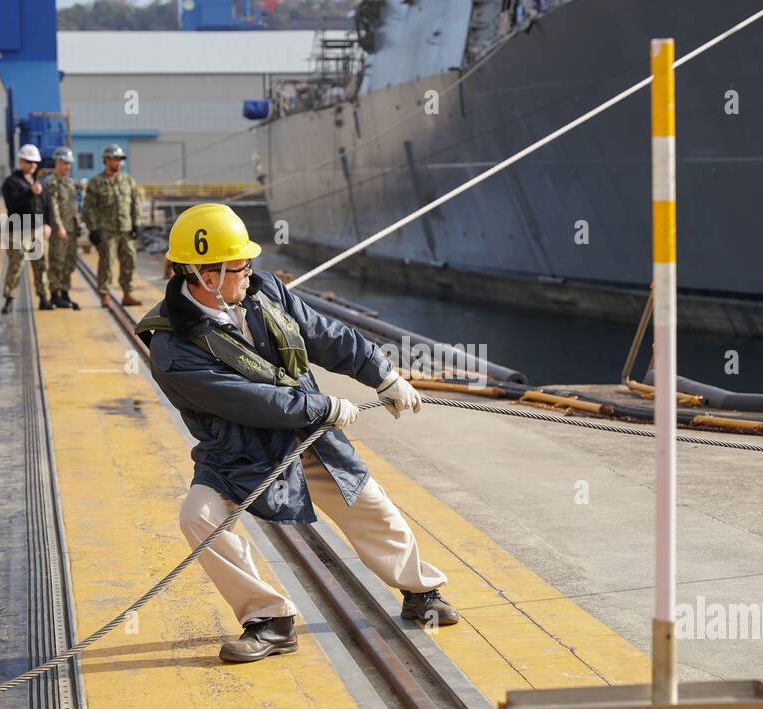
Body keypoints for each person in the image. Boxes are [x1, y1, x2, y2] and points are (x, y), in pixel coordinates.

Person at [135, 204, 457, 663]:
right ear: (207, 276)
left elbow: (325, 335)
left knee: (369, 506)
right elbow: (246, 400)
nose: (250, 271)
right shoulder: (172, 345)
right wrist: (323, 406)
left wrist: (382, 375)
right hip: (238, 451)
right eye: (240, 266)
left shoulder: (264, 291)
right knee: (199, 517)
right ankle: (269, 620)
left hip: (308, 437)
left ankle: (420, 591)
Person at [82, 144, 141, 308]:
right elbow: (89, 208)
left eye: (120, 160)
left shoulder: (128, 181)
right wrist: (93, 229)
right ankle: (105, 294)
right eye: (115, 159)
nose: (118, 163)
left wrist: (137, 224)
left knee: (129, 261)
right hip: (106, 232)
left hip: (126, 229)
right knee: (106, 263)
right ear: (106, 161)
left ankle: (127, 293)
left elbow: (136, 203)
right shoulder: (97, 182)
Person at [0, 143, 52, 314]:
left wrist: (47, 223)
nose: (32, 165)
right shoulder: (11, 182)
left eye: (35, 162)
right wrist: (30, 192)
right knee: (15, 266)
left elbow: (45, 205)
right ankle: (9, 299)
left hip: (37, 231)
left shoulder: (38, 183)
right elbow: (11, 202)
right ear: (21, 161)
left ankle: (44, 298)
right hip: (18, 231)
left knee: (41, 265)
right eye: (29, 162)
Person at [45, 146, 81, 310]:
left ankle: (65, 293)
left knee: (69, 262)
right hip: (59, 231)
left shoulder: (69, 182)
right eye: (64, 163)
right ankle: (54, 294)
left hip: (71, 229)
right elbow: (53, 207)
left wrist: (77, 225)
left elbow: (74, 207)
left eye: (69, 164)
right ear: (57, 163)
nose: (67, 166)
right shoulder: (51, 182)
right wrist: (59, 227)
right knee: (57, 262)